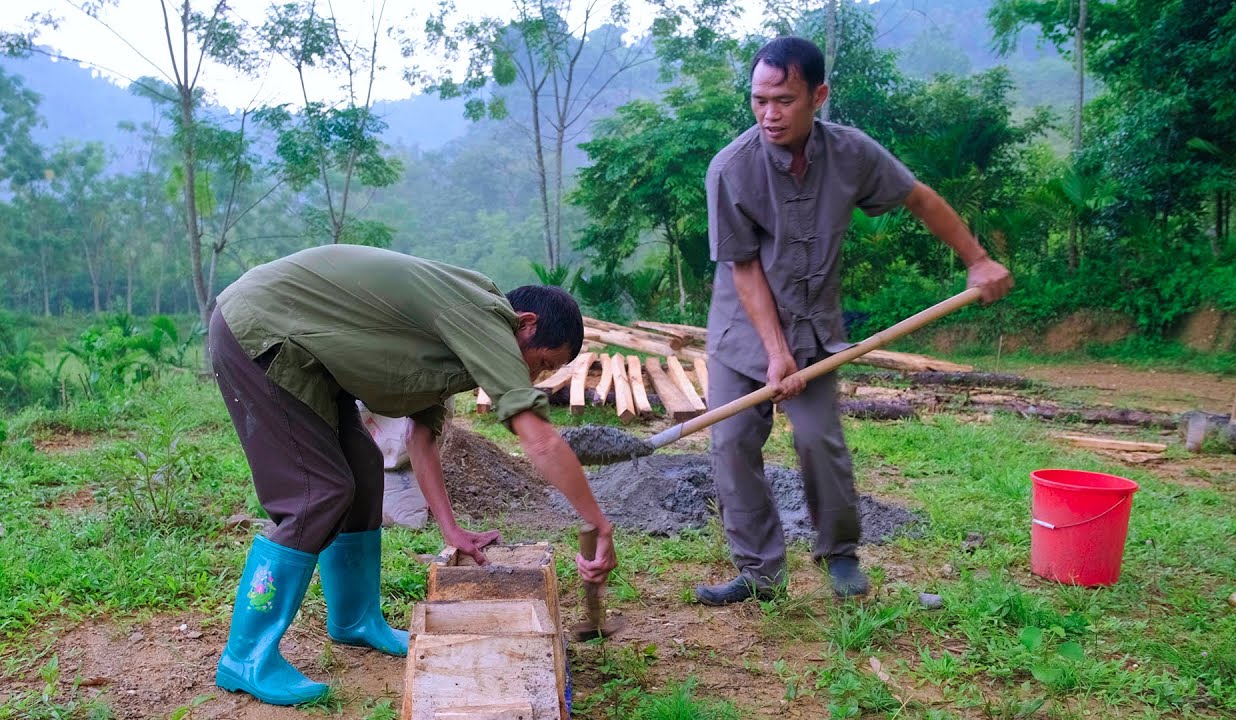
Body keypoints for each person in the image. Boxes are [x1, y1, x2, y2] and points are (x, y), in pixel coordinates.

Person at [206, 244, 617, 705]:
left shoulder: (453, 343)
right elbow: (538, 438)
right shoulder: (483, 316)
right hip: (260, 332)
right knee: (315, 494)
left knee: (363, 475)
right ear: (526, 323)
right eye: (542, 363)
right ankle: (245, 655)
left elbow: (421, 441)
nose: (536, 378)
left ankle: (355, 621)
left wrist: (451, 529)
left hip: (309, 357)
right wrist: (598, 522)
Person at [697, 36, 1013, 606]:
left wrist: (978, 260)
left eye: (785, 100)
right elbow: (744, 270)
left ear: (818, 95)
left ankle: (839, 553)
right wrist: (774, 353)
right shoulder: (731, 170)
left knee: (820, 441)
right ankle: (760, 574)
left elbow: (919, 198)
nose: (769, 114)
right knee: (733, 446)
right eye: (759, 99)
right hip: (741, 334)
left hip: (815, 332)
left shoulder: (852, 154)